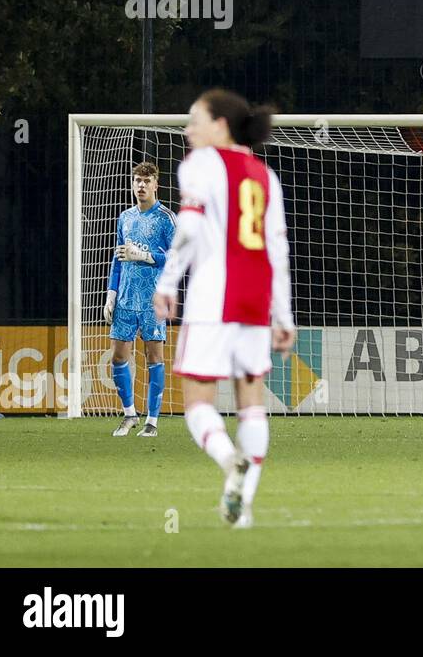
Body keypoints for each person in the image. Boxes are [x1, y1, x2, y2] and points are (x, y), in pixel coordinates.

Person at [154, 89, 296, 528]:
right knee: (251, 402)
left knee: (197, 401)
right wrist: (284, 315)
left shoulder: (200, 164)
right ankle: (242, 508)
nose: (187, 128)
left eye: (194, 119)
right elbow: (277, 249)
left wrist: (167, 280)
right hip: (255, 300)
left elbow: (191, 227)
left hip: (213, 298)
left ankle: (227, 457)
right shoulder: (263, 174)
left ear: (220, 125)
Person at [105, 162, 176, 438]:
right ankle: (129, 415)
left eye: (147, 181)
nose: (141, 185)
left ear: (156, 184)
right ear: (132, 184)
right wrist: (111, 293)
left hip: (153, 299)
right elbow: (118, 258)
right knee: (119, 356)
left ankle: (152, 421)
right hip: (124, 298)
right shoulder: (125, 218)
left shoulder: (165, 218)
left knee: (153, 357)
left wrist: (146, 256)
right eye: (137, 180)